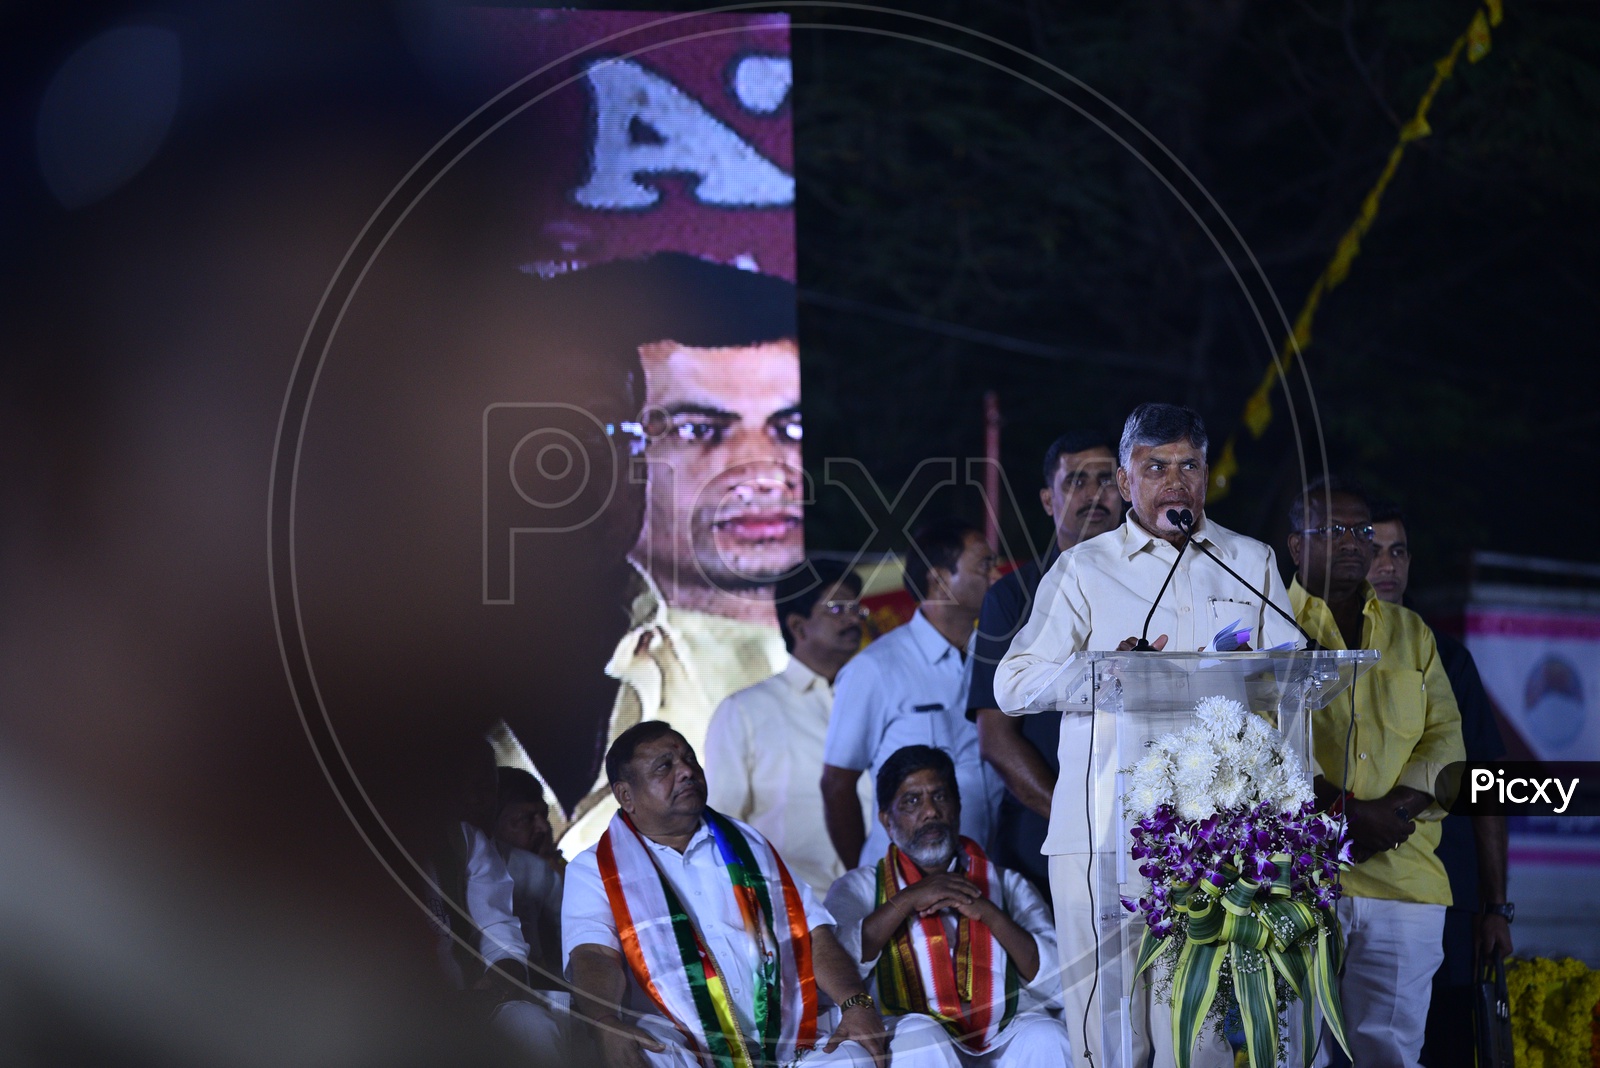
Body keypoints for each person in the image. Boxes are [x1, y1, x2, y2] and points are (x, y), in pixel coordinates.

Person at [994, 402, 1300, 1067]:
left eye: (1188, 465)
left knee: (1203, 1036)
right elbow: (1012, 684)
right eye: (1155, 466)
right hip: (1101, 832)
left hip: (1212, 837)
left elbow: (1296, 675)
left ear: (1208, 476)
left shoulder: (1250, 561)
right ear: (1126, 483)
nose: (1175, 481)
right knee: (1109, 1033)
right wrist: (1101, 672)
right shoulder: (1083, 570)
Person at [492, 253, 803, 856]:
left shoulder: (762, 669)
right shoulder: (371, 687)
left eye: (603, 432)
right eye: (531, 439)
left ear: (640, 458)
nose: (564, 473)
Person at [561, 722, 919, 1067]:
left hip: (784, 1040)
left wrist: (855, 1003)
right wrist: (604, 1021)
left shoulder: (748, 845)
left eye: (689, 759)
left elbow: (812, 934)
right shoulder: (595, 869)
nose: (686, 771)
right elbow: (593, 954)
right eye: (664, 767)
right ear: (626, 795)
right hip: (684, 1047)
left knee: (898, 1044)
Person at [1286, 478, 1465, 1068]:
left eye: (1361, 531)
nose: (1353, 544)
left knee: (1390, 1054)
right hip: (1299, 882)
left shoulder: (1410, 632)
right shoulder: (1264, 626)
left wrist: (1394, 814)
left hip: (1404, 879)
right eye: (1332, 531)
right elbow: (1254, 741)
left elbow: (1445, 741)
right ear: (1294, 546)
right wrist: (1344, 817)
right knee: (1293, 1055)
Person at [1365, 506, 1513, 1068]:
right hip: (1353, 891)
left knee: (1447, 1044)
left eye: (1398, 551)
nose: (1387, 565)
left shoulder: (1446, 656)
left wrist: (1497, 906)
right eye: (1374, 549)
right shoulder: (1320, 652)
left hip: (1446, 898)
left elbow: (1488, 785)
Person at [826, 746, 1073, 1066]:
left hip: (1004, 1033)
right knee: (922, 1036)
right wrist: (907, 900)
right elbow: (835, 962)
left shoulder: (1007, 884)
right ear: (887, 821)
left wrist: (989, 913)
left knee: (1047, 1037)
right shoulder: (856, 888)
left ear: (957, 807)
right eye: (912, 801)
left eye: (940, 796)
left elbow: (1057, 979)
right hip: (910, 1029)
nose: (930, 811)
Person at [967, 430, 1123, 895]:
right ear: (1047, 500)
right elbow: (996, 738)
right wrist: (1078, 822)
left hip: (1151, 843)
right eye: (1076, 481)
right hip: (1044, 846)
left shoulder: (1155, 587)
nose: (1094, 494)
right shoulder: (1012, 597)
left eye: (1105, 480)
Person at [822, 517, 1002, 870]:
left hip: (989, 873)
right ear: (938, 581)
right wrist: (870, 874)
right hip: (908, 883)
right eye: (984, 566)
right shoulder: (875, 667)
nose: (996, 577)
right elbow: (836, 784)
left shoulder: (1002, 656)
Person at [704, 558, 875, 898]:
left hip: (881, 900)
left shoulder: (874, 698)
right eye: (838, 609)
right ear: (798, 625)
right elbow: (721, 825)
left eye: (857, 609)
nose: (854, 619)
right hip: (792, 906)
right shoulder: (746, 710)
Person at [428, 740, 566, 1054]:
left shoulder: (464, 843)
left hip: (485, 995)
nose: (476, 799)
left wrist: (499, 988)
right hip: (395, 1003)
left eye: (486, 787)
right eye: (464, 786)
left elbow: (500, 932)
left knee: (533, 1028)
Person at [491, 767, 566, 986]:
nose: (543, 827)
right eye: (525, 819)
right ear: (491, 821)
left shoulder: (558, 873)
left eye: (544, 815)